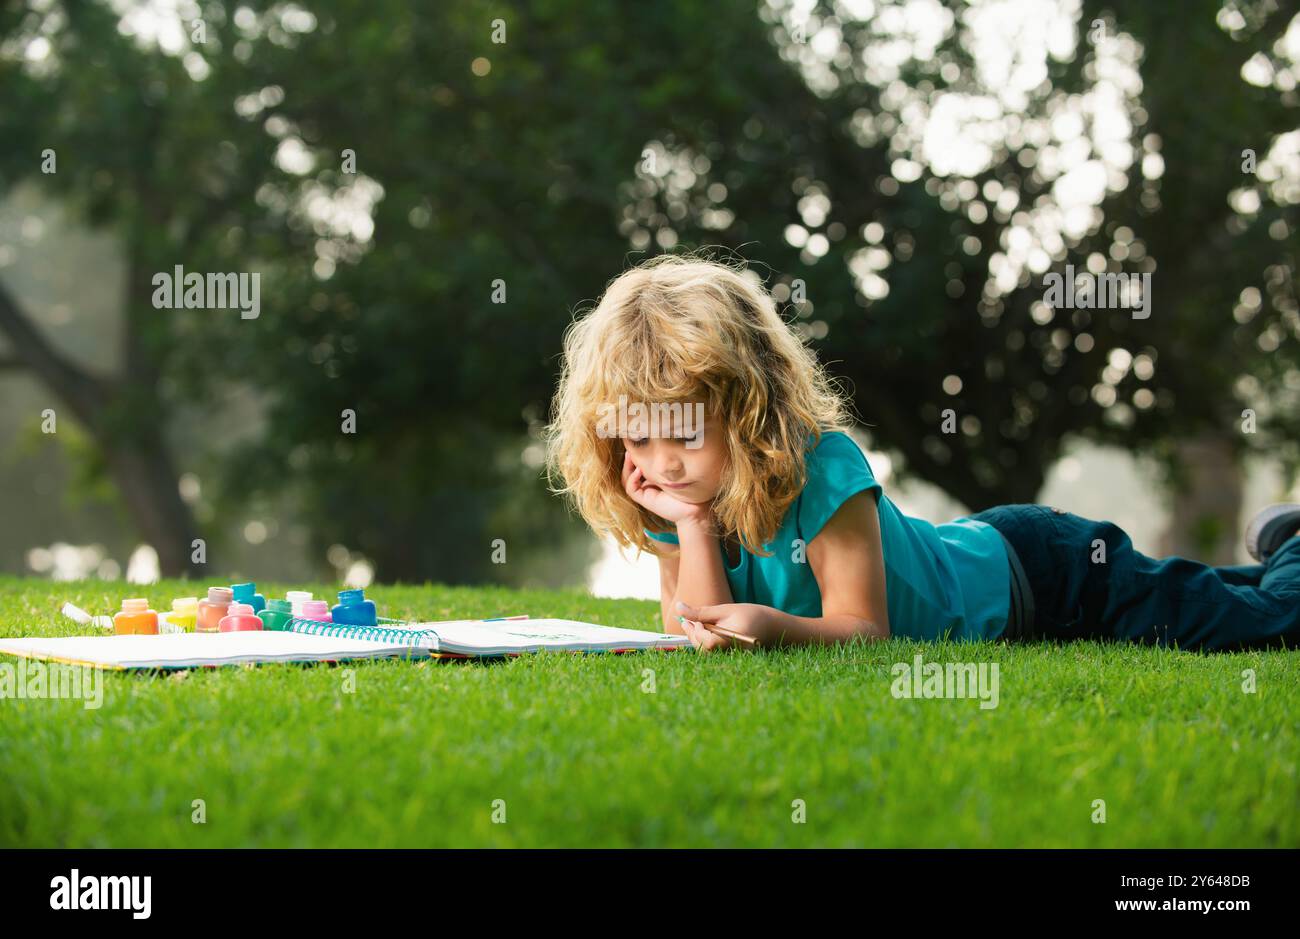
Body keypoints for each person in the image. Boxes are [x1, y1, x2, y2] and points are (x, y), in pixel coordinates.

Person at [544, 252, 1300, 653]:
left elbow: (862, 631)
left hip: (1046, 573)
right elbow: (695, 632)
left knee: (1262, 625)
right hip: (1018, 577)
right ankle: (1272, 557)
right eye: (639, 436)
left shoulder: (825, 469)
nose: (663, 462)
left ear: (746, 407)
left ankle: (1290, 544)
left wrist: (774, 628)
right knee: (1215, 594)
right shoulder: (674, 504)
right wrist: (695, 529)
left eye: (684, 432)